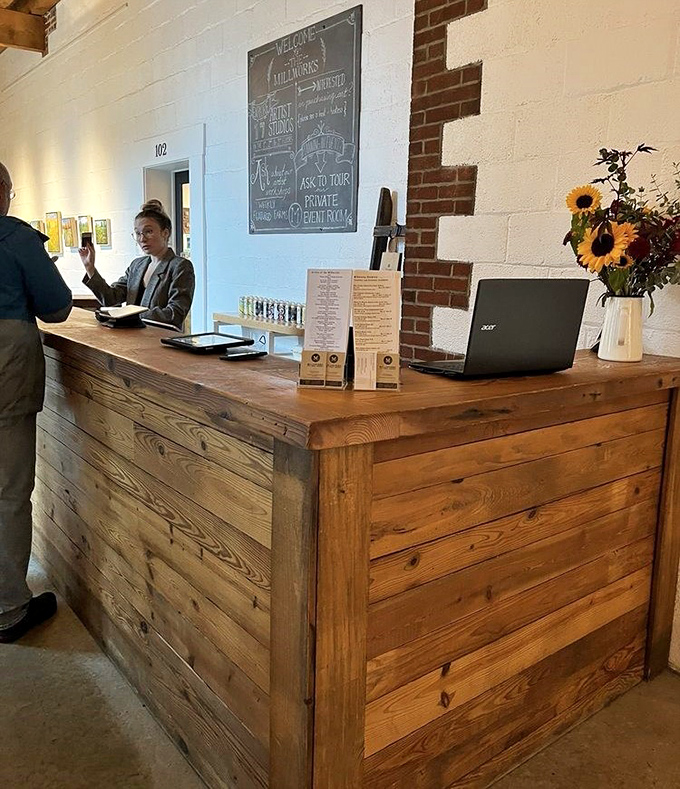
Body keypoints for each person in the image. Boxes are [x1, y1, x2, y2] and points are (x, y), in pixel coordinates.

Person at [0, 162, 72, 644]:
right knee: (8, 488)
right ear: (3, 191)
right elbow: (57, 306)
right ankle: (8, 608)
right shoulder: (15, 237)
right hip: (6, 362)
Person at [79, 200, 194, 329]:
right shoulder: (137, 265)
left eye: (148, 231)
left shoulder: (180, 266)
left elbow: (175, 314)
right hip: (132, 336)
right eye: (138, 233)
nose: (142, 239)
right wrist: (90, 268)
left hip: (160, 337)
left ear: (165, 233)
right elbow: (111, 299)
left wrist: (131, 315)